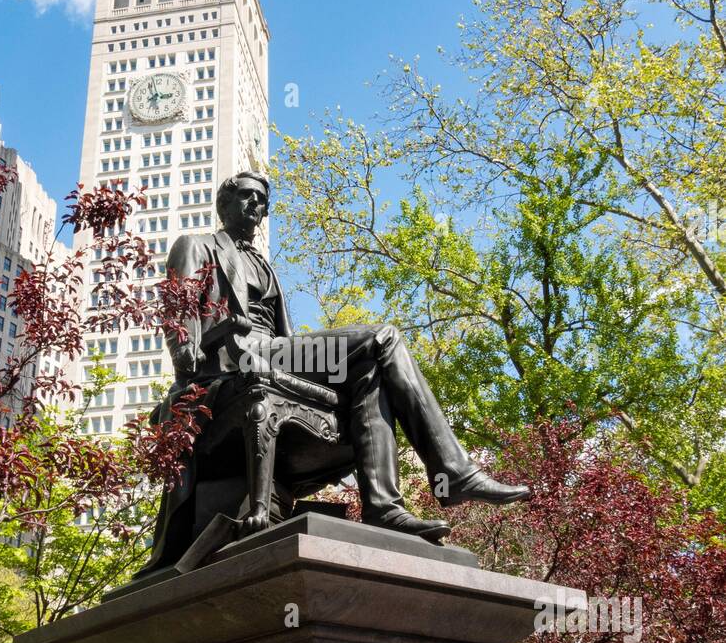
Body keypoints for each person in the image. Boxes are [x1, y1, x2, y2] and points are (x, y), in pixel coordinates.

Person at [138, 172, 529, 574]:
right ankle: (455, 472)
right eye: (247, 196)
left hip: (275, 354)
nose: (256, 205)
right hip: (236, 361)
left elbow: (284, 336)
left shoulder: (263, 266)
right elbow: (180, 324)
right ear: (224, 203)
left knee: (369, 375)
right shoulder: (196, 246)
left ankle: (383, 507)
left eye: (262, 200)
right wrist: (195, 347)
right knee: (382, 339)